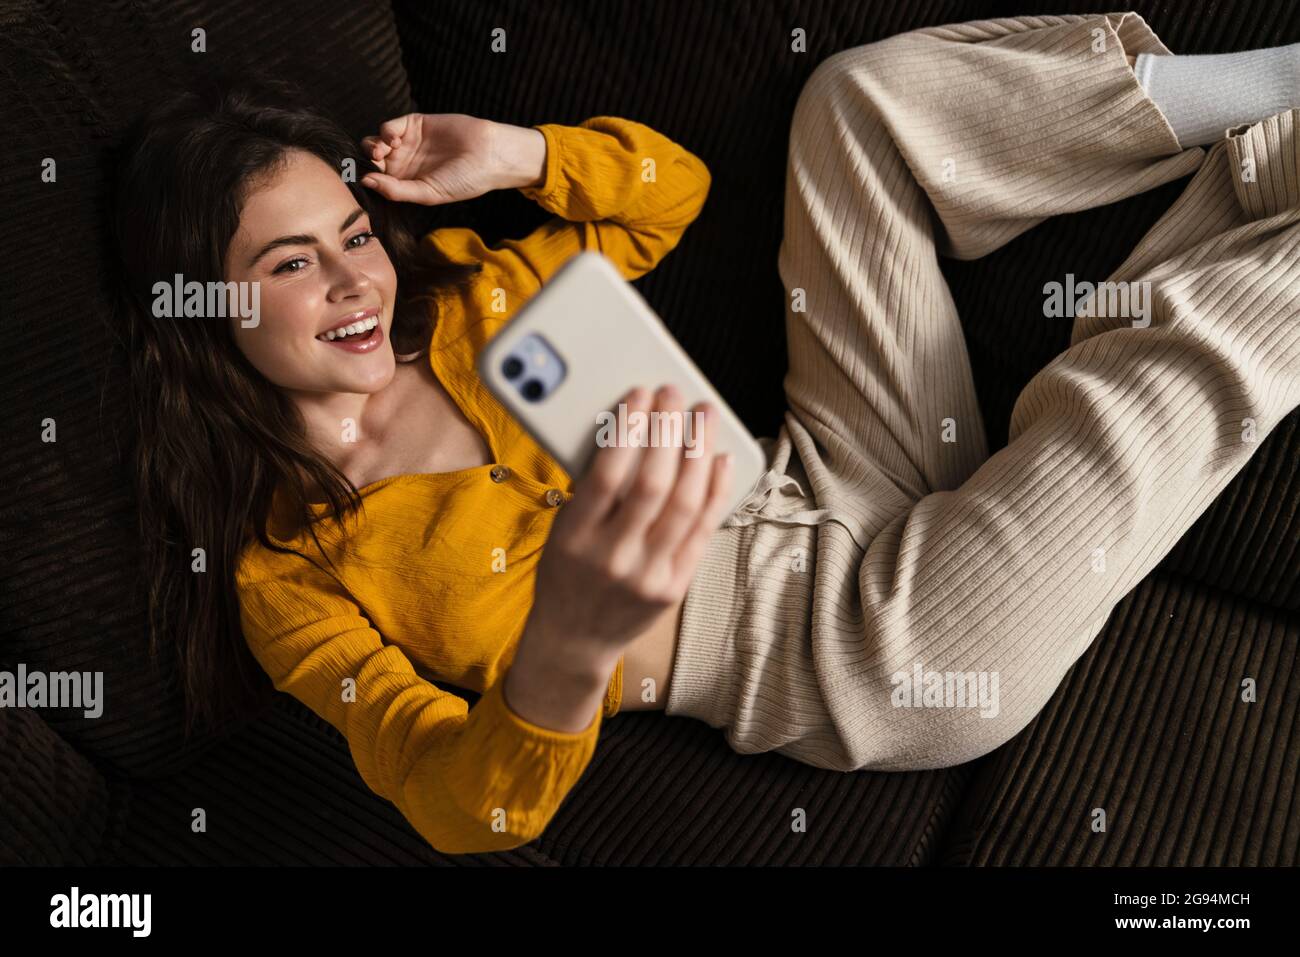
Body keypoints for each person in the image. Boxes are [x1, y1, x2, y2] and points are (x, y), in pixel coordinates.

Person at [111, 10, 1300, 856]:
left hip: (828, 469)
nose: (353, 282)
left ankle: (1259, 92)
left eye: (353, 235)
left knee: (852, 109)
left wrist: (522, 157)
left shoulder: (471, 295)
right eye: (289, 263)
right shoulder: (287, 574)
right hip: (866, 658)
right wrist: (565, 652)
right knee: (1146, 376)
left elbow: (663, 195)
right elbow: (456, 805)